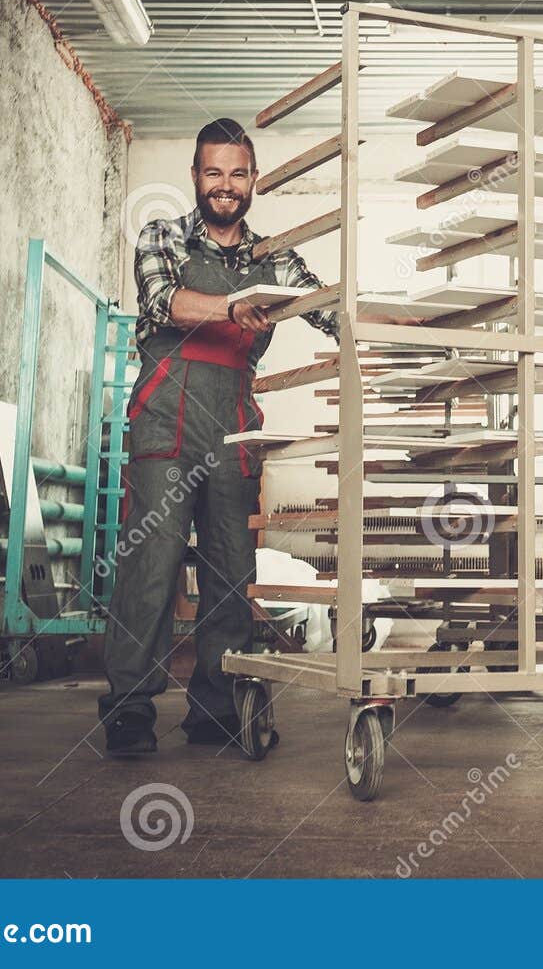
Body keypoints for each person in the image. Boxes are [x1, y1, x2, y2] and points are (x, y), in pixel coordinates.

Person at [99, 117, 338, 755]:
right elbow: (160, 301)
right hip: (165, 422)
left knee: (232, 570)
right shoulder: (163, 237)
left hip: (233, 427)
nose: (225, 186)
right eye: (213, 173)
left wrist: (400, 320)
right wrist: (228, 308)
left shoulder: (273, 259)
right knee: (152, 566)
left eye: (237, 173)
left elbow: (328, 308)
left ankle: (215, 705)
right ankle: (128, 709)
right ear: (196, 178)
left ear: (254, 179)